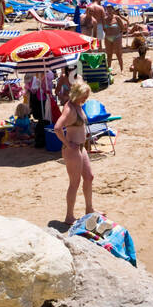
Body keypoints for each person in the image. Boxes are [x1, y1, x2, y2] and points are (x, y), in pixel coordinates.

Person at [54, 79, 94, 227]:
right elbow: (57, 128)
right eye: (84, 96)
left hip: (80, 147)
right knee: (74, 183)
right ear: (77, 94)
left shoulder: (77, 105)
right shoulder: (69, 108)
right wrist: (66, 143)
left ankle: (89, 209)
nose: (86, 99)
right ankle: (69, 216)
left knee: (89, 177)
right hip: (72, 150)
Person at [102, 5, 127, 74]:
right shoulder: (105, 19)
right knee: (109, 54)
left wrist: (119, 35)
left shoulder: (117, 18)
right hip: (108, 37)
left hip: (117, 37)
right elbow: (104, 29)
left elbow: (122, 28)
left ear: (113, 10)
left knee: (118, 54)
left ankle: (122, 69)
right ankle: (109, 69)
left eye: (110, 9)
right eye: (108, 9)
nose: (109, 11)